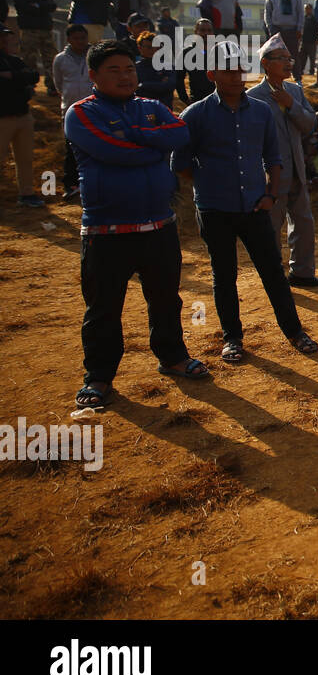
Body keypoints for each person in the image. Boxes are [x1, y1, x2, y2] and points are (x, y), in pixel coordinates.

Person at [65, 39, 207, 416]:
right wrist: (154, 149)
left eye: (129, 69)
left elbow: (179, 134)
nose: (125, 76)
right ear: (93, 75)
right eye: (114, 70)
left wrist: (141, 137)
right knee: (104, 308)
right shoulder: (81, 114)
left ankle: (173, 357)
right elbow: (110, 151)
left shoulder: (150, 107)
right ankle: (98, 377)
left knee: (166, 299)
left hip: (158, 226)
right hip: (106, 231)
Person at [173, 44, 318, 364]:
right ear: (212, 75)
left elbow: (274, 157)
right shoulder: (195, 115)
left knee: (272, 272)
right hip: (215, 210)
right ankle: (232, 339)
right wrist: (208, 184)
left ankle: (295, 332)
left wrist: (270, 194)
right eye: (228, 71)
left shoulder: (261, 111)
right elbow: (180, 163)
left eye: (241, 70)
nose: (237, 77)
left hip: (256, 206)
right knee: (223, 275)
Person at [248, 34, 318, 289]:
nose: (287, 63)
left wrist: (291, 104)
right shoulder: (253, 97)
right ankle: (272, 277)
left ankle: (302, 272)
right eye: (281, 58)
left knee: (304, 223)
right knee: (271, 227)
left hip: (297, 170)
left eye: (289, 58)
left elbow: (309, 124)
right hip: (270, 175)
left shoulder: (294, 91)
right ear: (265, 63)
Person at [0, 29, 44, 207]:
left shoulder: (14, 60)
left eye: (5, 36)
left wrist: (12, 77)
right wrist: (19, 80)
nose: (5, 40)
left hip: (23, 115)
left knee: (25, 158)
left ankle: (26, 193)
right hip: (2, 118)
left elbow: (33, 76)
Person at [52, 24, 92, 199]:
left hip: (93, 109)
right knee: (71, 149)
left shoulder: (94, 57)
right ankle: (71, 184)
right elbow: (58, 84)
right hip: (70, 110)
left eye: (83, 38)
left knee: (95, 146)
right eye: (76, 38)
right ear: (69, 40)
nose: (81, 42)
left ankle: (92, 183)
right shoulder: (60, 59)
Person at [12, 0, 58, 94]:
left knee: (50, 57)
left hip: (45, 28)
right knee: (28, 58)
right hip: (29, 29)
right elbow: (24, 7)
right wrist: (41, 6)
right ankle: (29, 84)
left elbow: (52, 6)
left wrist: (37, 6)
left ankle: (52, 85)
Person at [264, 0, 304, 73]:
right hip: (276, 30)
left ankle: (297, 77)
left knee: (293, 54)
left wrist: (299, 29)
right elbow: (267, 13)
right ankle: (273, 75)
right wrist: (270, 28)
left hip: (292, 30)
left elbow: (300, 13)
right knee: (275, 54)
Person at [133, 31, 178, 108]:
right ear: (139, 48)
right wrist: (159, 84)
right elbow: (133, 90)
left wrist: (143, 85)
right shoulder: (134, 68)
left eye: (156, 47)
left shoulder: (167, 66)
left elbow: (169, 86)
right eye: (149, 47)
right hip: (142, 110)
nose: (153, 50)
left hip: (164, 110)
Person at [183, 18, 217, 104]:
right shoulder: (187, 52)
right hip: (197, 101)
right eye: (202, 30)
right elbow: (178, 78)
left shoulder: (220, 51)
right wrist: (185, 99)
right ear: (196, 32)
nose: (206, 33)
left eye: (209, 30)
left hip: (218, 101)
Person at [300, 3, 318, 84]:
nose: (307, 10)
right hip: (304, 41)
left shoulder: (314, 19)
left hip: (312, 41)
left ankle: (311, 71)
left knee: (312, 58)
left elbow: (317, 30)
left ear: (311, 9)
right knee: (302, 57)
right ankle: (301, 71)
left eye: (308, 8)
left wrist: (317, 39)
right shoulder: (302, 18)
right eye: (305, 9)